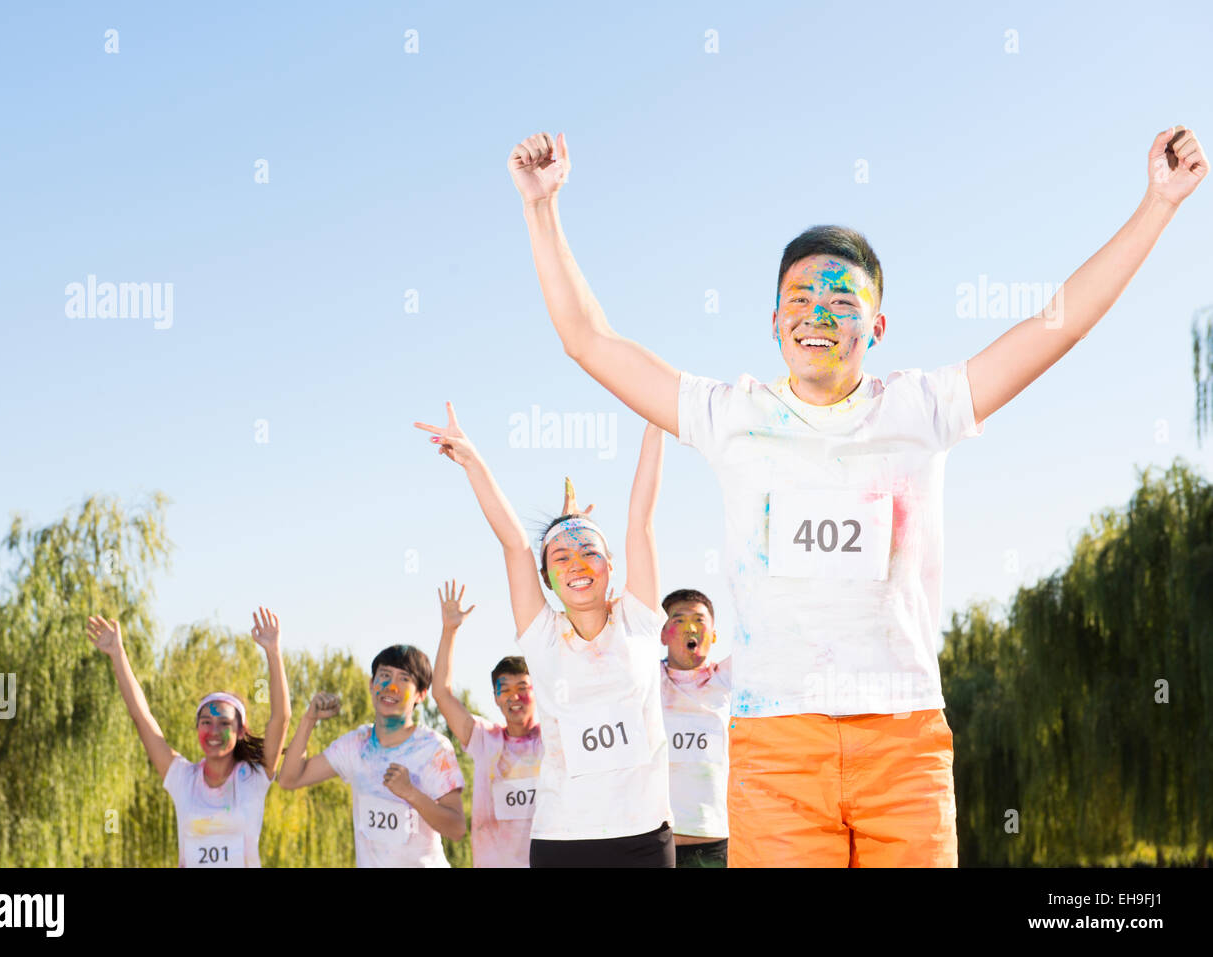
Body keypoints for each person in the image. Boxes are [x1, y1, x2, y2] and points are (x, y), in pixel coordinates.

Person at [506, 126, 1207, 866]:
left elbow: (1056, 326)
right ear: (774, 322)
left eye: (843, 300)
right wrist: (543, 209)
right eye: (799, 297)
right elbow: (588, 340)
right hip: (777, 745)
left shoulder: (921, 407)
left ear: (876, 325)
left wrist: (1157, 205)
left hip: (902, 741)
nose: (817, 312)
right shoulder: (729, 414)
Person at [416, 407, 674, 866]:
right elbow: (514, 542)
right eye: (560, 557)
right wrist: (473, 460)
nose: (576, 563)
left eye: (589, 551)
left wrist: (655, 419)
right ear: (547, 578)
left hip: (644, 837)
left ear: (610, 565)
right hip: (563, 839)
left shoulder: (639, 618)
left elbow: (642, 519)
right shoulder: (543, 637)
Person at [84, 607, 291, 867]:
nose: (214, 731)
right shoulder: (183, 779)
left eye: (224, 723)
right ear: (197, 729)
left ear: (240, 731)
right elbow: (142, 717)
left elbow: (280, 719)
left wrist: (273, 651)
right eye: (206, 722)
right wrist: (118, 654)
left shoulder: (254, 777)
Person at [278, 644, 465, 867]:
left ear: (421, 695)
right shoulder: (357, 744)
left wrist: (410, 793)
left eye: (404, 679)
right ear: (371, 684)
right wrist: (309, 720)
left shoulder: (434, 748)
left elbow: (456, 829)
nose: (391, 687)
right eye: (385, 675)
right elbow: (290, 779)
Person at [431, 578, 543, 868]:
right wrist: (449, 631)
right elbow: (441, 693)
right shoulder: (484, 739)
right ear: (495, 697)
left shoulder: (554, 736)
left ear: (537, 690)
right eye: (504, 689)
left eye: (522, 687)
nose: (513, 696)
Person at [659, 589, 731, 868]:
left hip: (716, 843)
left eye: (699, 620)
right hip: (656, 842)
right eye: (678, 619)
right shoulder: (645, 680)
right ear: (663, 634)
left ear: (713, 634)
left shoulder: (729, 679)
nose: (690, 627)